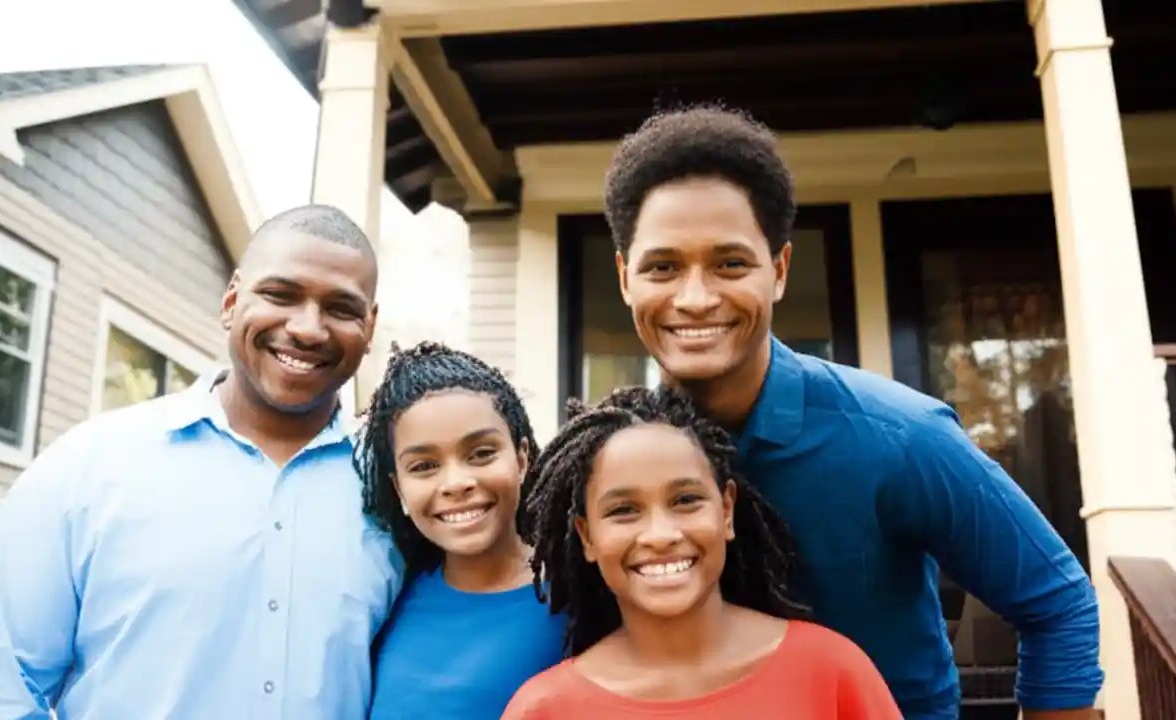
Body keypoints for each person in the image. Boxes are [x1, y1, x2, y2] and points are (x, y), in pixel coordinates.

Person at [599, 105, 1103, 720]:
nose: (696, 297)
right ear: (626, 279)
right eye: (663, 267)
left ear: (779, 271)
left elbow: (1057, 603)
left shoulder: (901, 437)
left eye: (730, 263)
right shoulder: (605, 464)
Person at [0, 205, 402, 719]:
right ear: (232, 300)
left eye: (341, 308)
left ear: (369, 326)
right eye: (281, 295)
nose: (307, 328)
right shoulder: (89, 468)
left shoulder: (398, 491)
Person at [503, 386, 901, 719]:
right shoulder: (545, 710)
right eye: (623, 510)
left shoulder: (831, 672)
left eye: (686, 499)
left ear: (726, 510)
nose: (660, 535)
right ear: (586, 536)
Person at [358, 341, 564, 719]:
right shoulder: (385, 603)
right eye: (423, 466)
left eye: (482, 453)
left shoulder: (576, 599)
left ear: (521, 459)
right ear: (398, 488)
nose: (456, 482)